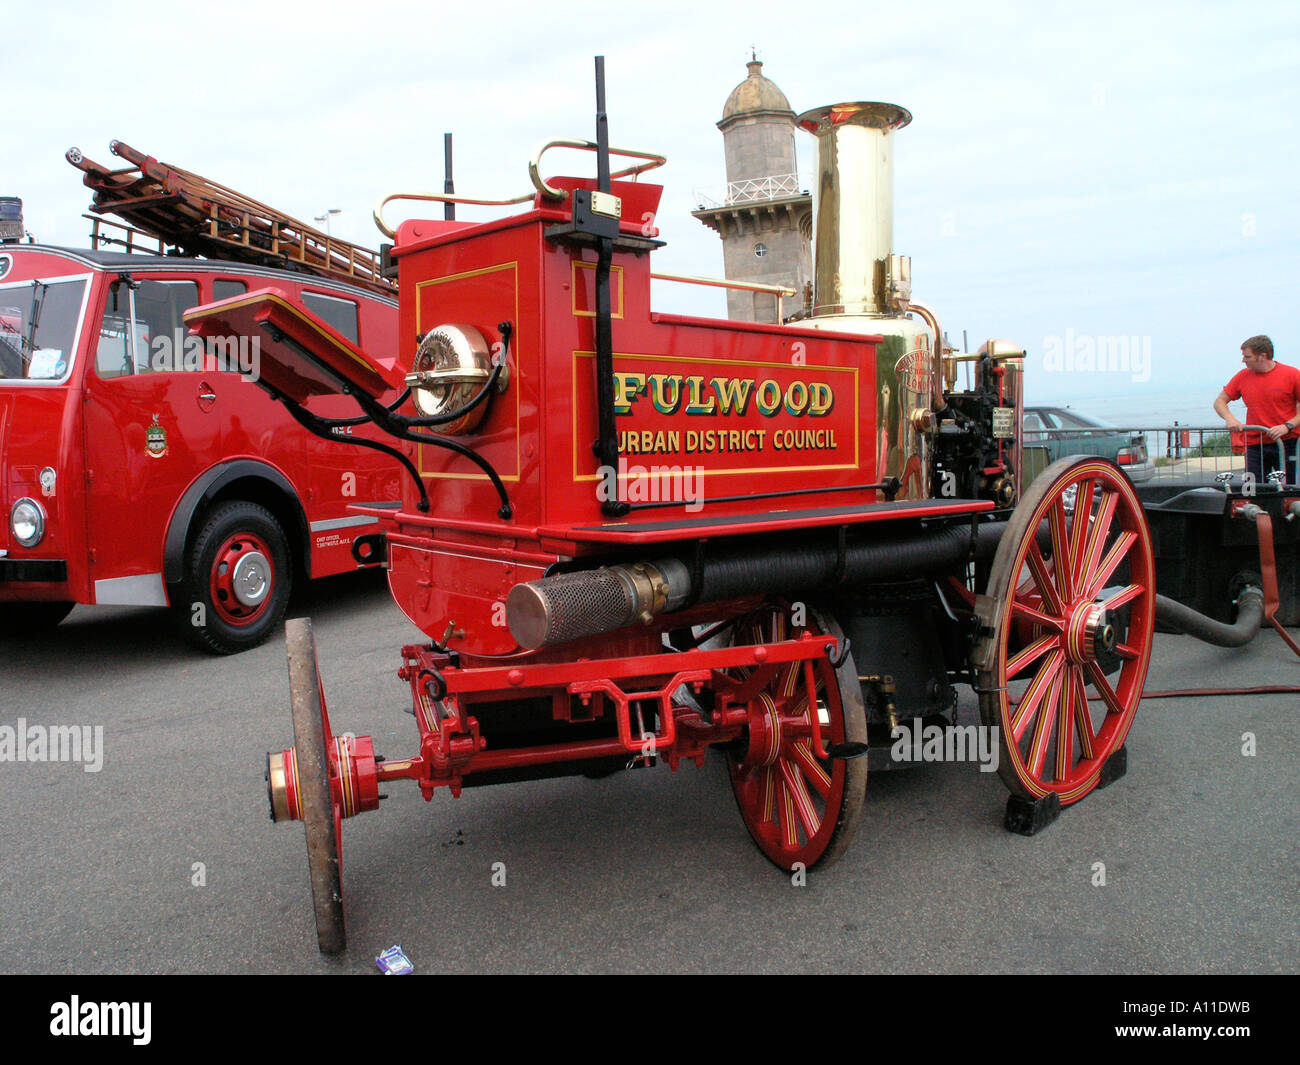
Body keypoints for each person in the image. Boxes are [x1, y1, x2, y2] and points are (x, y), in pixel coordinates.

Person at [1213, 335, 1300, 484]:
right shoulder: (1242, 376)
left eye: (1247, 356)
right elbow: (1220, 402)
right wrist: (1230, 418)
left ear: (1262, 356)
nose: (1243, 361)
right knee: (1252, 490)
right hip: (1255, 444)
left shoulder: (1292, 374)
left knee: (1290, 488)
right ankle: (1255, 506)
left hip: (1288, 442)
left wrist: (1287, 426)